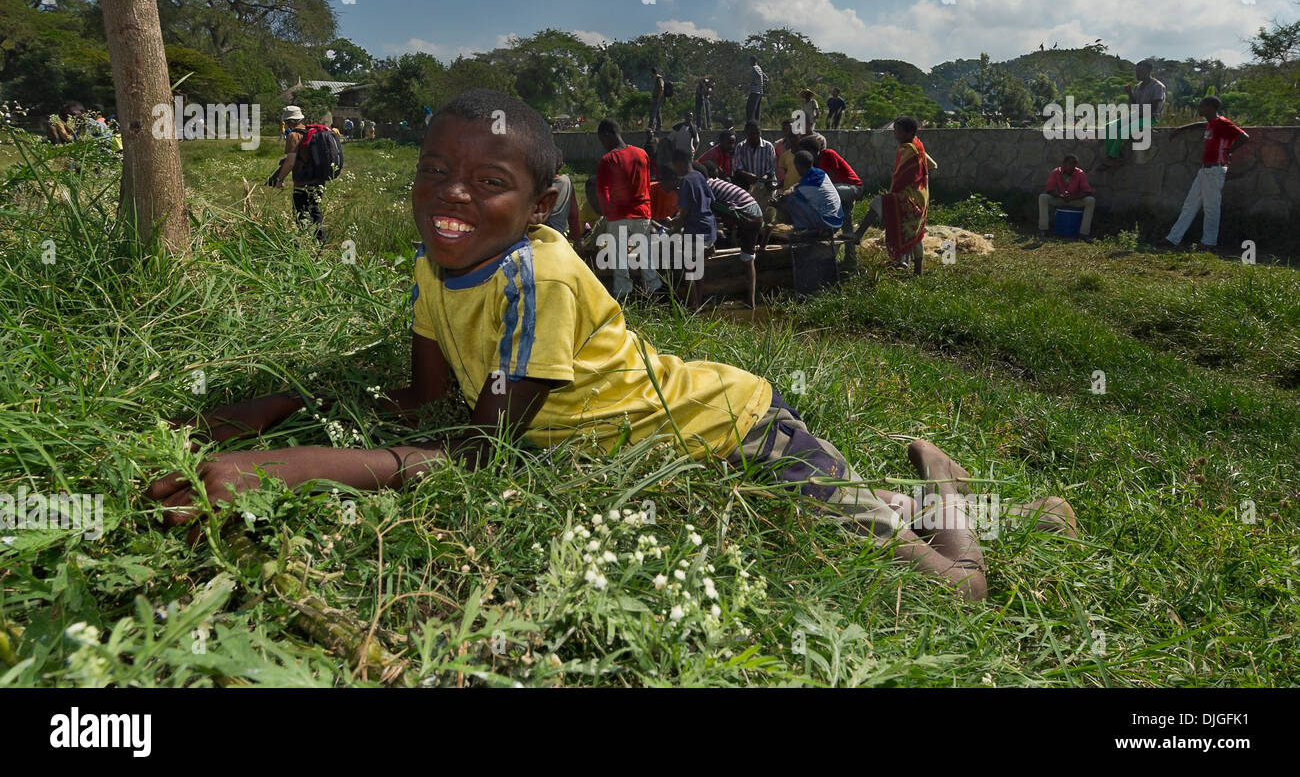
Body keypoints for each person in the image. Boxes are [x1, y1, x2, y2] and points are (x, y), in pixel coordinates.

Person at [149, 88, 1076, 602]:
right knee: (862, 520)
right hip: (700, 451)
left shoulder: (538, 280)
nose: (451, 197)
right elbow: (422, 400)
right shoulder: (436, 269)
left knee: (948, 588)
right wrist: (288, 407)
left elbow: (476, 451)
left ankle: (951, 491)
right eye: (436, 171)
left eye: (487, 181)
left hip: (735, 431)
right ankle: (1019, 512)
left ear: (542, 205)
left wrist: (286, 469)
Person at [1159, 96, 1249, 251]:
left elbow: (1244, 136)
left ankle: (1209, 242)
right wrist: (1182, 128)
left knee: (1211, 208)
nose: (1199, 108)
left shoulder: (1223, 123)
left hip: (1214, 170)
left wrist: (1228, 151)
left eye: (1201, 105)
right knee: (1189, 205)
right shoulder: (1212, 123)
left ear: (1210, 107)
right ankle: (1173, 239)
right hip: (1205, 170)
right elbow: (1203, 124)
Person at [596, 117, 664, 299]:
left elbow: (603, 192)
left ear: (607, 135)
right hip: (642, 214)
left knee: (620, 261)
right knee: (646, 258)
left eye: (601, 139)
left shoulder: (607, 160)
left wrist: (607, 213)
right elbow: (646, 185)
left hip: (619, 217)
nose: (602, 144)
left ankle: (623, 298)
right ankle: (653, 292)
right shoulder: (642, 154)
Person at [859, 116, 929, 276]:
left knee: (879, 201)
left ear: (909, 132)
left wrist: (894, 193)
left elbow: (899, 177)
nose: (895, 134)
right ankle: (917, 272)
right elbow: (932, 164)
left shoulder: (908, 149)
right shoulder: (918, 145)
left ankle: (858, 234)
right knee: (915, 233)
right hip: (921, 196)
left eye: (898, 131)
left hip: (910, 197)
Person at [269, 105, 327, 244]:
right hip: (319, 178)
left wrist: (279, 179)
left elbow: (290, 162)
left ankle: (303, 242)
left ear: (290, 121)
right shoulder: (313, 132)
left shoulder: (293, 135)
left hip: (302, 180)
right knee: (315, 208)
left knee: (301, 212)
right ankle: (320, 241)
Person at [705, 173, 763, 309]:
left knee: (710, 208)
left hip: (747, 215)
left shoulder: (706, 187)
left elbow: (708, 214)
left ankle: (712, 244)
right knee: (748, 259)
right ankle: (751, 301)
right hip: (756, 214)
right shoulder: (718, 183)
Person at [802, 133, 862, 248]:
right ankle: (850, 258)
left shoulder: (828, 154)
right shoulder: (814, 163)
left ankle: (828, 229)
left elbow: (826, 180)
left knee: (825, 196)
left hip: (852, 187)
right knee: (846, 220)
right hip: (840, 190)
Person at [1102, 60, 1166, 167]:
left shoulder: (1157, 86)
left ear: (1149, 71)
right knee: (1109, 126)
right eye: (1136, 71)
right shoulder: (1137, 87)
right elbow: (1134, 107)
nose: (1137, 74)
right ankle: (1112, 155)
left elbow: (1154, 108)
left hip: (1150, 118)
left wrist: (1137, 117)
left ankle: (1114, 157)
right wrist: (1130, 94)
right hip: (1136, 116)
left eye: (1140, 71)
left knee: (1124, 130)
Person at [776, 150, 842, 234]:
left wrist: (779, 201)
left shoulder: (806, 186)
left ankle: (801, 229)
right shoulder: (821, 173)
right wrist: (791, 189)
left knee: (791, 200)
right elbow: (798, 185)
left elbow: (790, 197)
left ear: (799, 166)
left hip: (827, 224)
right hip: (837, 222)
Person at [1039, 154, 1096, 238]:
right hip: (1060, 199)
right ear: (1063, 164)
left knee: (1090, 200)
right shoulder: (1056, 172)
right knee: (1043, 197)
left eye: (1074, 164)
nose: (1072, 166)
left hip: (1074, 200)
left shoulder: (1080, 173)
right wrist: (1060, 196)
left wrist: (1074, 197)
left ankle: (1084, 233)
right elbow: (1049, 189)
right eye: (1070, 164)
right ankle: (1043, 230)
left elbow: (1087, 192)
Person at [543, 154, 582, 247]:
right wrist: (577, 239)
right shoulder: (566, 182)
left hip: (536, 235)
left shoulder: (536, 182)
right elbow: (573, 214)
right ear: (562, 165)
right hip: (557, 237)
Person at [731, 120, 776, 187]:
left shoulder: (768, 146)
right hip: (746, 186)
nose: (755, 135)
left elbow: (773, 167)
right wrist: (747, 175)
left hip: (766, 186)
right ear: (746, 133)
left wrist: (766, 176)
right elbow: (736, 168)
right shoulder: (740, 147)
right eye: (751, 133)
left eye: (757, 133)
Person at [774, 118, 799, 190]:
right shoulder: (777, 145)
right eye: (784, 129)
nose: (787, 131)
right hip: (782, 183)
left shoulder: (802, 146)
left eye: (789, 128)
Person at [744, 56, 766, 125]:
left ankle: (750, 125)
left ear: (753, 61)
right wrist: (761, 84)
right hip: (760, 91)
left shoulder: (754, 68)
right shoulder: (759, 67)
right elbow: (766, 78)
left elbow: (759, 76)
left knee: (750, 110)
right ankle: (757, 125)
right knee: (757, 111)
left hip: (754, 91)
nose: (749, 63)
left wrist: (754, 83)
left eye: (750, 61)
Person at [648, 67, 665, 133]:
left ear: (653, 73)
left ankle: (650, 127)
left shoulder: (659, 79)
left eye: (651, 73)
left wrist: (658, 98)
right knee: (657, 112)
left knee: (653, 112)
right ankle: (659, 126)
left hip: (658, 98)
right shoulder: (656, 79)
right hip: (656, 97)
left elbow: (661, 88)